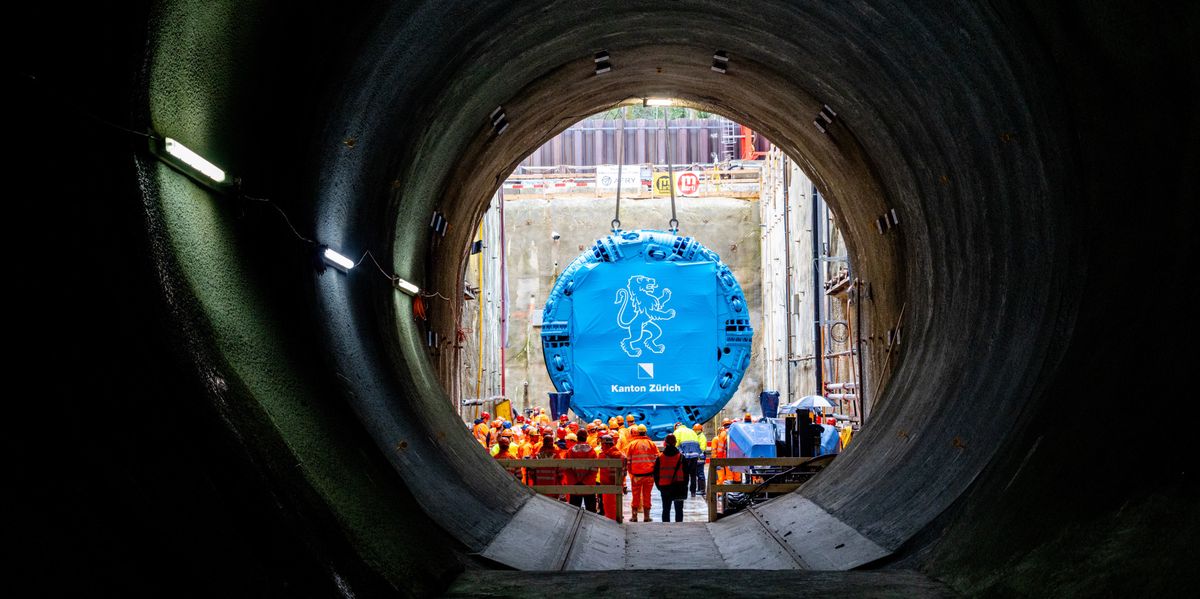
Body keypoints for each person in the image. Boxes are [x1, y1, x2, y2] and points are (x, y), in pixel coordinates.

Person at [625, 424, 659, 522]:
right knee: (647, 495)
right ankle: (646, 517)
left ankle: (634, 516)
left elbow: (628, 460)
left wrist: (631, 472)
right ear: (645, 432)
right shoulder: (651, 444)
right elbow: (657, 459)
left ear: (637, 432)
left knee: (635, 496)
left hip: (636, 476)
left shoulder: (632, 444)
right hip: (649, 475)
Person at [652, 434, 688, 522]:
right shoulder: (681, 457)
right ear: (675, 443)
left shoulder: (660, 458)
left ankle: (666, 527)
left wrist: (659, 487)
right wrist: (684, 486)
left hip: (664, 487)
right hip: (679, 487)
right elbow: (686, 474)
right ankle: (679, 527)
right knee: (679, 510)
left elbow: (656, 474)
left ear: (665, 443)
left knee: (666, 510)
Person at [565, 429, 598, 513]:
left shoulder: (570, 450)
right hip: (588, 484)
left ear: (577, 437)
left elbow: (567, 468)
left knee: (574, 511)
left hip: (575, 484)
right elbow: (594, 468)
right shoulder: (592, 451)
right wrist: (585, 480)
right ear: (586, 437)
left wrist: (576, 480)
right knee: (591, 511)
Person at [596, 434, 626, 521]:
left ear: (608, 445)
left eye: (603, 444)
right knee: (616, 507)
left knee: (609, 510)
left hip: (607, 486)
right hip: (618, 485)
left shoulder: (603, 456)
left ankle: (612, 527)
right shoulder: (622, 455)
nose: (601, 447)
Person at [672, 422, 702, 498]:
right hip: (694, 456)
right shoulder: (691, 431)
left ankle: (684, 492)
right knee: (693, 474)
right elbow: (698, 444)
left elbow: (675, 445)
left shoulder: (677, 432)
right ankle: (693, 492)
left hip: (685, 456)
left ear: (676, 427)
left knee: (684, 474)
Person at [528, 434, 560, 499]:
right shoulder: (556, 456)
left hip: (539, 488)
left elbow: (531, 473)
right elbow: (560, 474)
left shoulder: (537, 456)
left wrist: (535, 482)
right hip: (552, 488)